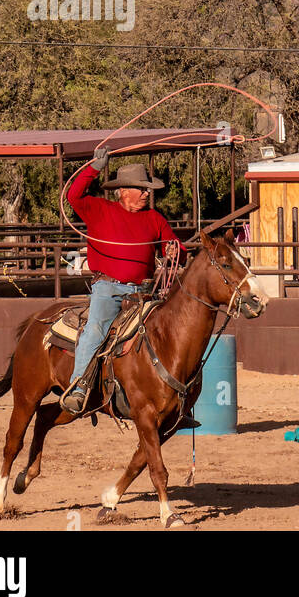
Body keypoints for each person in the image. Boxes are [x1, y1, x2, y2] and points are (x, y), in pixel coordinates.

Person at [61, 147, 188, 416]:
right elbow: (73, 195)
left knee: (167, 335)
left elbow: (173, 245)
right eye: (141, 189)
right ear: (124, 191)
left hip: (143, 292)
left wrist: (174, 250)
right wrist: (94, 167)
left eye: (146, 189)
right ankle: (78, 386)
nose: (146, 193)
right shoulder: (98, 209)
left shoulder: (154, 218)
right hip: (108, 288)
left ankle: (173, 398)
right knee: (95, 329)